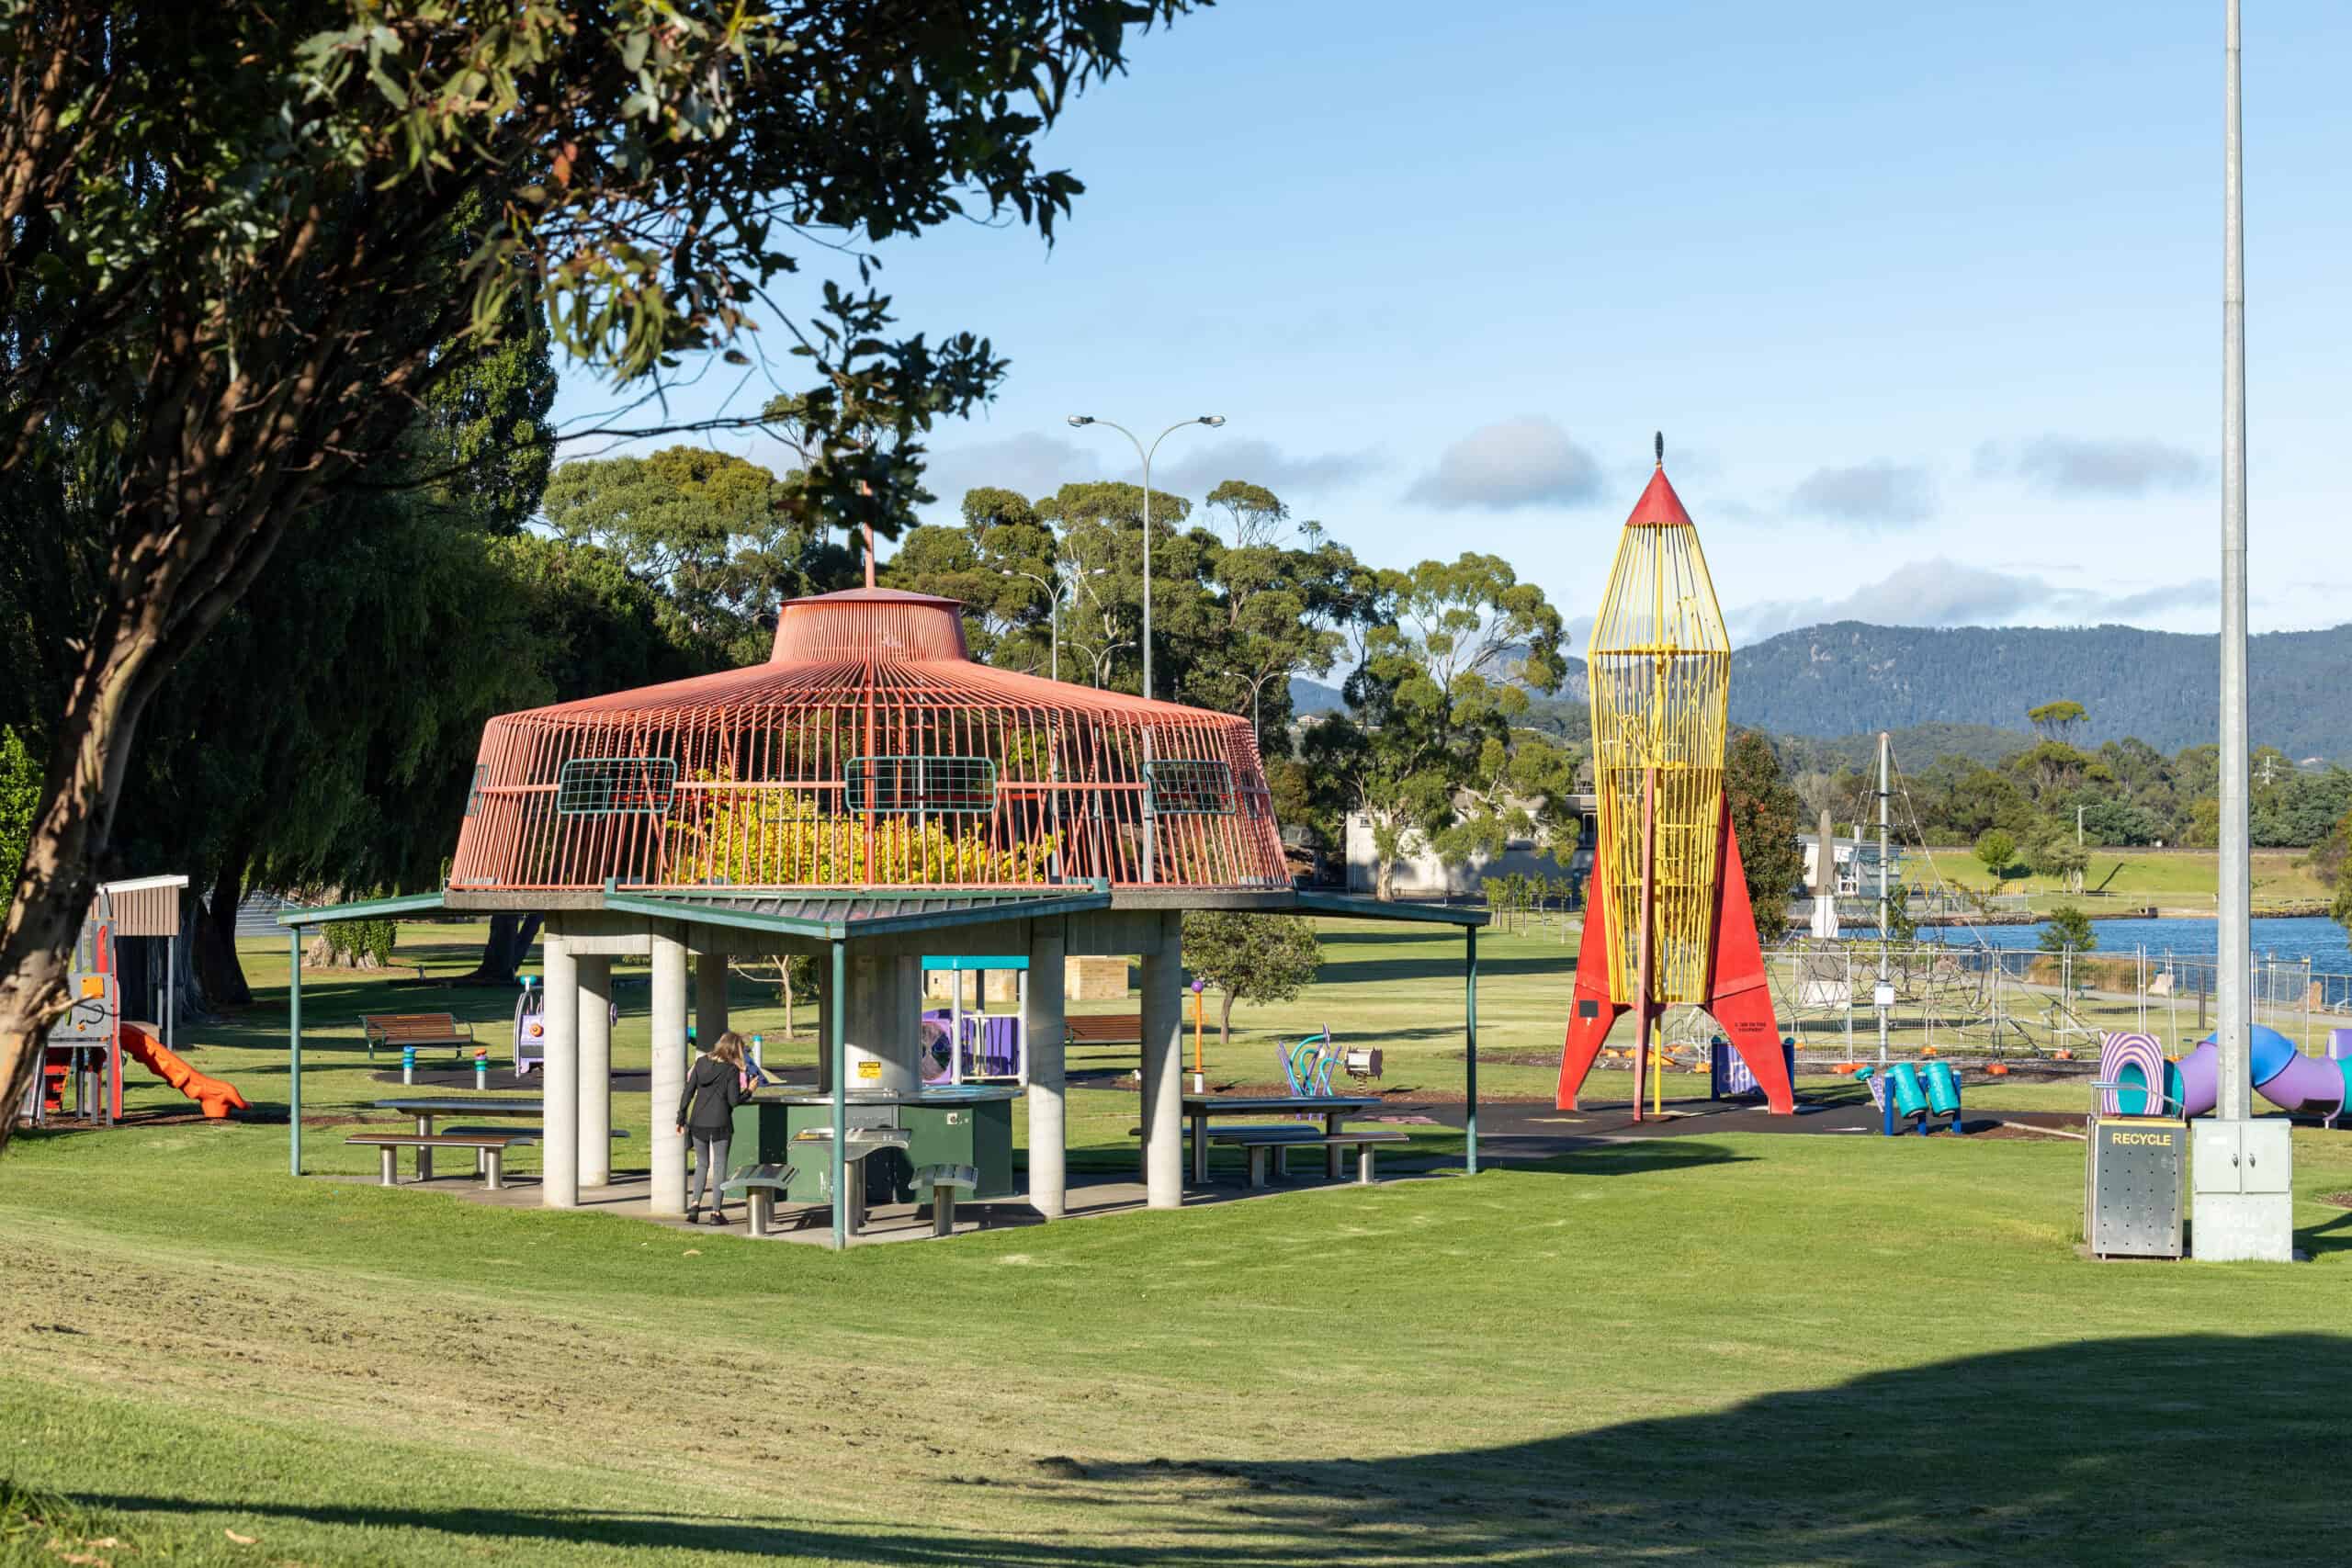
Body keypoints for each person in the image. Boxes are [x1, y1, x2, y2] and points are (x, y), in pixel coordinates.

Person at [678, 1030, 755, 1224]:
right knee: (720, 1165)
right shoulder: (731, 1070)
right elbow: (734, 1101)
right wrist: (749, 1091)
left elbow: (688, 1092)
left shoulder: (700, 1063)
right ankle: (716, 1213)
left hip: (698, 1122)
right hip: (720, 1123)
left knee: (701, 1164)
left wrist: (681, 1118)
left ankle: (694, 1206)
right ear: (734, 1049)